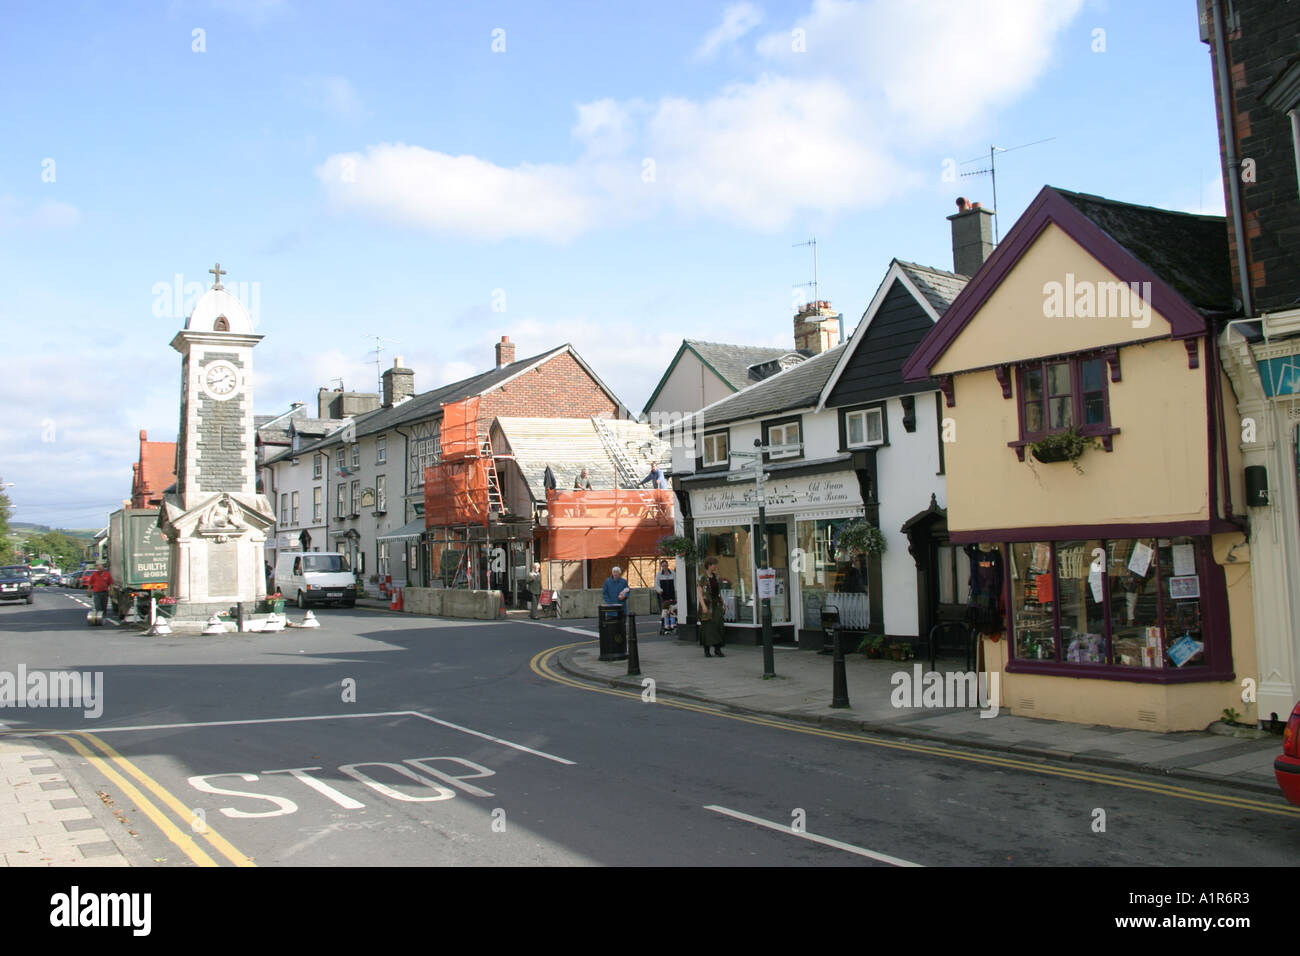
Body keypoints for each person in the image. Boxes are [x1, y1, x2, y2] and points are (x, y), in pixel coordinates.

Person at [696, 557, 725, 657]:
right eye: (714, 564)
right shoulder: (702, 577)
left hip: (716, 604)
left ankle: (718, 649)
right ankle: (707, 650)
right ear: (709, 565)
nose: (716, 566)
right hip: (707, 604)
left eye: (716, 564)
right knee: (707, 627)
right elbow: (699, 593)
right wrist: (703, 606)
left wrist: (722, 601)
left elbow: (718, 592)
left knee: (718, 624)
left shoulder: (716, 576)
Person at [655, 558, 677, 635]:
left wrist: (676, 592)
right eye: (663, 566)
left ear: (667, 566)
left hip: (671, 594)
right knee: (664, 611)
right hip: (663, 595)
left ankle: (672, 626)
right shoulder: (658, 574)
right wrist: (659, 590)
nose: (664, 567)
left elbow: (676, 583)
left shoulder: (673, 573)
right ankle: (664, 626)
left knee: (672, 610)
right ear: (661, 566)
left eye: (666, 565)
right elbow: (656, 584)